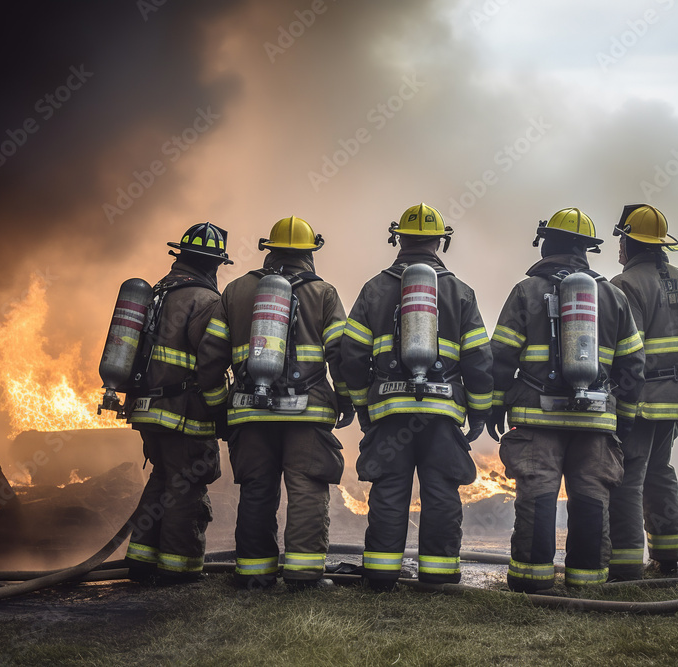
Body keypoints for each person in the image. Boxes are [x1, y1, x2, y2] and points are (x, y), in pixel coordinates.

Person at [487, 208, 645, 592]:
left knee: (538, 494)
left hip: (537, 416)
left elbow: (502, 354)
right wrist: (621, 416)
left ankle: (532, 580)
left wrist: (494, 403)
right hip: (595, 420)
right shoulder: (612, 296)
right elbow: (634, 365)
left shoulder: (526, 292)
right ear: (587, 249)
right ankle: (587, 581)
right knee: (592, 497)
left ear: (547, 243)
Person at [340, 203, 493, 591]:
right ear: (441, 241)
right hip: (441, 414)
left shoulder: (374, 290)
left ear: (398, 238)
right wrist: (478, 413)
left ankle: (380, 575)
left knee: (389, 491)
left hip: (390, 413)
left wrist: (363, 406)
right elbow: (479, 358)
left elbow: (352, 356)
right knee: (441, 492)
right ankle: (439, 577)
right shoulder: (460, 291)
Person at [196, 216, 352, 590]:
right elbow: (341, 353)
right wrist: (346, 397)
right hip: (307, 412)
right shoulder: (324, 293)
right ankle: (303, 575)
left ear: (268, 251)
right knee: (307, 489)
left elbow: (210, 357)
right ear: (311, 252)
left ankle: (253, 573)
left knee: (256, 490)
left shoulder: (235, 291)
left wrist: (221, 408)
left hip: (250, 412)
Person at [607, 204, 678, 580]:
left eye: (621, 239)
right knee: (660, 471)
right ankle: (668, 557)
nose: (618, 249)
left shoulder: (625, 285)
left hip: (641, 400)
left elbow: (625, 353)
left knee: (627, 478)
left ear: (630, 241)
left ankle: (624, 565)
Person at [123, 222, 230, 584]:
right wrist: (220, 411)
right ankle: (177, 569)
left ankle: (140, 558)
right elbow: (211, 365)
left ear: (181, 256)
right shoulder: (207, 301)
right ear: (214, 264)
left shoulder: (156, 291)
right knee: (187, 485)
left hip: (146, 409)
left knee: (163, 477)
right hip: (183, 413)